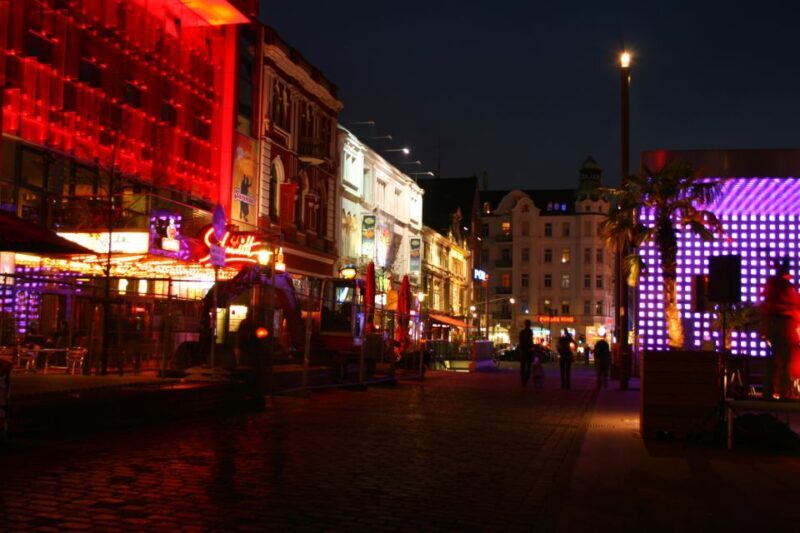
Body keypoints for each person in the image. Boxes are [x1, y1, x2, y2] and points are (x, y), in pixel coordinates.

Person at [761, 258, 800, 399]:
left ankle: (769, 391)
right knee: (786, 360)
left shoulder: (771, 285)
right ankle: (784, 392)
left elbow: (765, 304)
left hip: (774, 325)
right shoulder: (785, 287)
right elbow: (794, 303)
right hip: (784, 326)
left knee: (774, 360)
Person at [518, 319, 533, 387]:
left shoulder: (522, 332)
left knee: (523, 367)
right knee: (527, 367)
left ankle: (523, 381)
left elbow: (521, 342)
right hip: (527, 351)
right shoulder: (529, 332)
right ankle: (524, 380)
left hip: (524, 351)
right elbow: (530, 341)